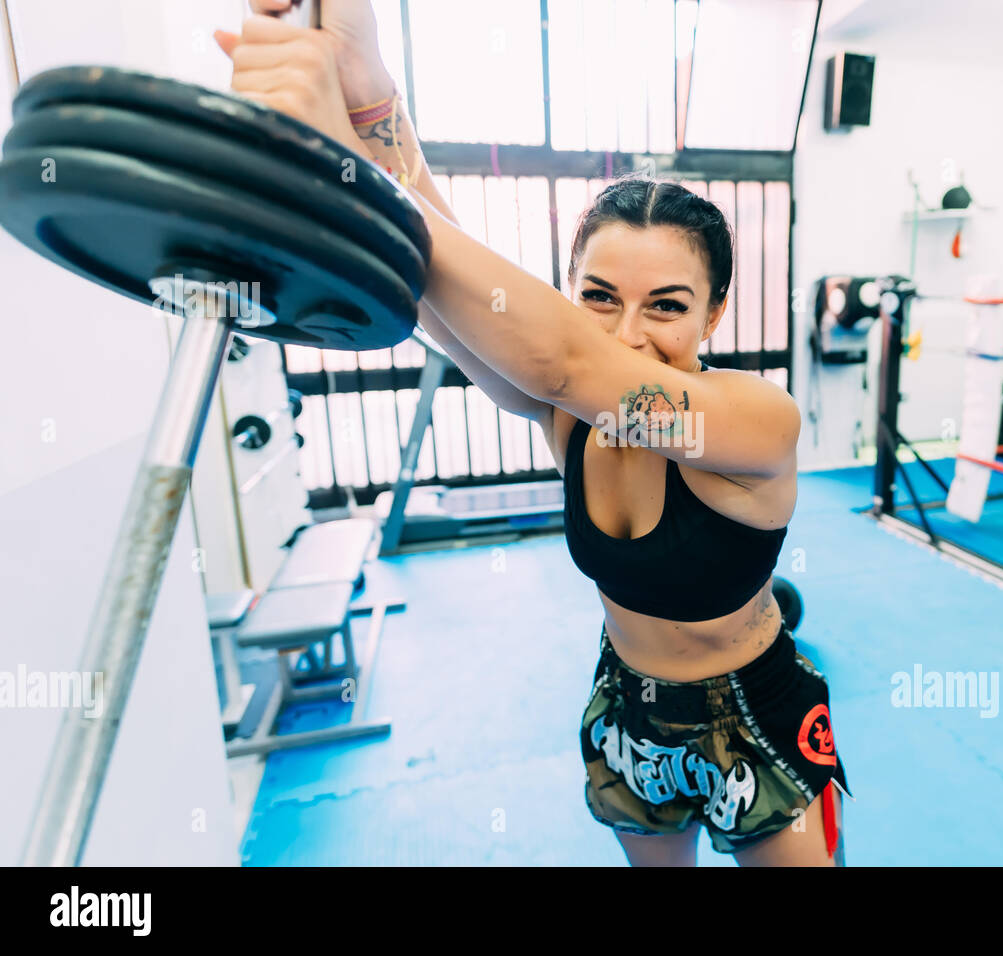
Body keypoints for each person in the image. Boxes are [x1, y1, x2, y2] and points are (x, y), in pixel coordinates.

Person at [217, 0, 850, 866]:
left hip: (755, 711)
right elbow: (447, 306)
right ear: (568, 290)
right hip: (630, 707)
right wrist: (368, 96)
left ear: (716, 313)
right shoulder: (570, 417)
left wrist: (352, 168)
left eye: (667, 306)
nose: (627, 334)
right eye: (598, 297)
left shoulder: (756, 422)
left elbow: (569, 361)